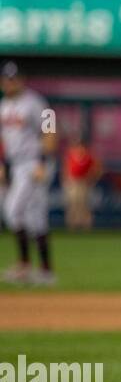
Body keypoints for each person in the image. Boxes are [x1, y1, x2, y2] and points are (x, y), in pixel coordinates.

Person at [0, 61, 59, 286]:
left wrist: (43, 161)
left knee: (13, 210)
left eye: (13, 78)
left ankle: (25, 265)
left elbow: (50, 128)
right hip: (15, 164)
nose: (9, 82)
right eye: (6, 78)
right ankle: (45, 271)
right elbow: (6, 140)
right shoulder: (4, 104)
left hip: (34, 163)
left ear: (22, 80)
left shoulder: (35, 102)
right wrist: (4, 165)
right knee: (35, 218)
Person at [60, 133, 101, 231]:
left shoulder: (88, 156)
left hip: (83, 182)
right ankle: (72, 226)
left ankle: (85, 226)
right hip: (72, 182)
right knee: (72, 204)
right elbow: (66, 168)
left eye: (80, 145)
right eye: (77, 144)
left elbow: (98, 168)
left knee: (83, 204)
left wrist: (91, 178)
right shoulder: (71, 154)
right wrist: (65, 179)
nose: (79, 147)